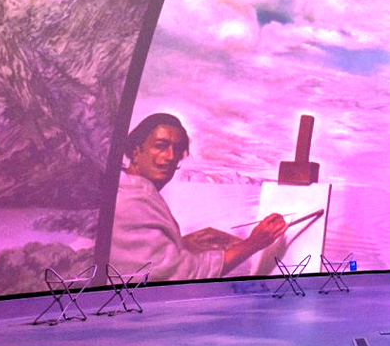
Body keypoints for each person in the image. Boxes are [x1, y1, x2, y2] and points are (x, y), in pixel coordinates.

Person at [110, 113, 288, 282]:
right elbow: (184, 274)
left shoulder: (132, 188)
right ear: (136, 151)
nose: (171, 156)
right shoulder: (130, 201)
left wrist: (180, 244)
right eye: (160, 146)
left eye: (177, 149)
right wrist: (253, 243)